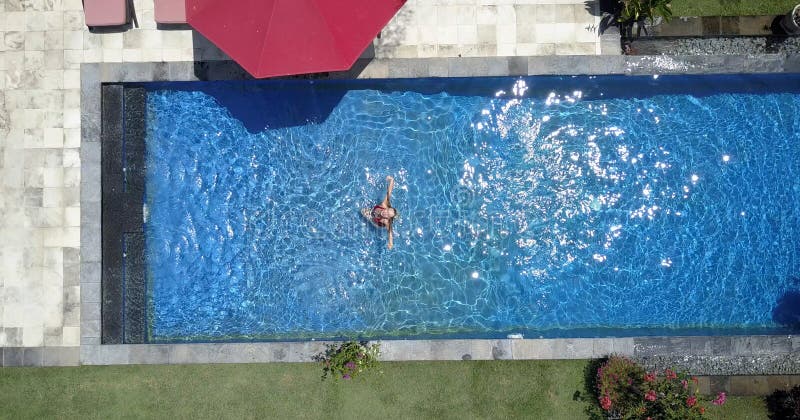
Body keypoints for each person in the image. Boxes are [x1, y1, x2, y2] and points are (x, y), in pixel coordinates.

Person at [361, 176, 398, 249]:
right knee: (362, 210)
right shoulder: (384, 204)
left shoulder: (386, 221)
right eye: (387, 211)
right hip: (373, 211)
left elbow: (390, 232)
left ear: (388, 218)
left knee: (364, 213)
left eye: (388, 215)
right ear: (387, 208)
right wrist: (391, 180)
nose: (385, 213)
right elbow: (389, 191)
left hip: (376, 222)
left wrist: (390, 243)